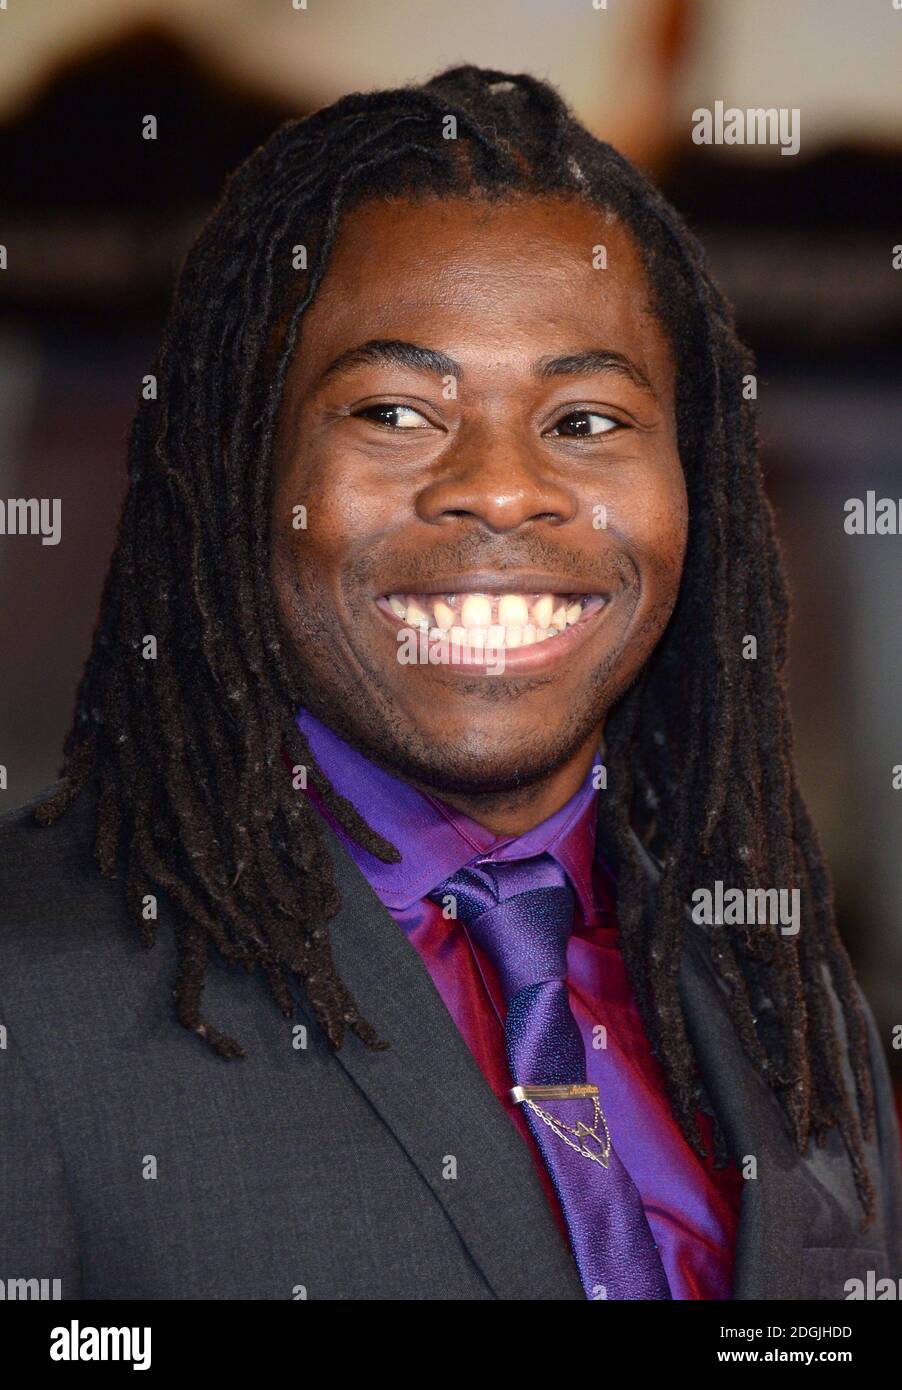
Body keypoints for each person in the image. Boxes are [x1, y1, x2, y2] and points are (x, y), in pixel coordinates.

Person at [1, 63, 899, 1301]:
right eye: (394, 411)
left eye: (584, 419)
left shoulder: (787, 996)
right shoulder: (30, 999)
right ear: (240, 473)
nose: (500, 484)